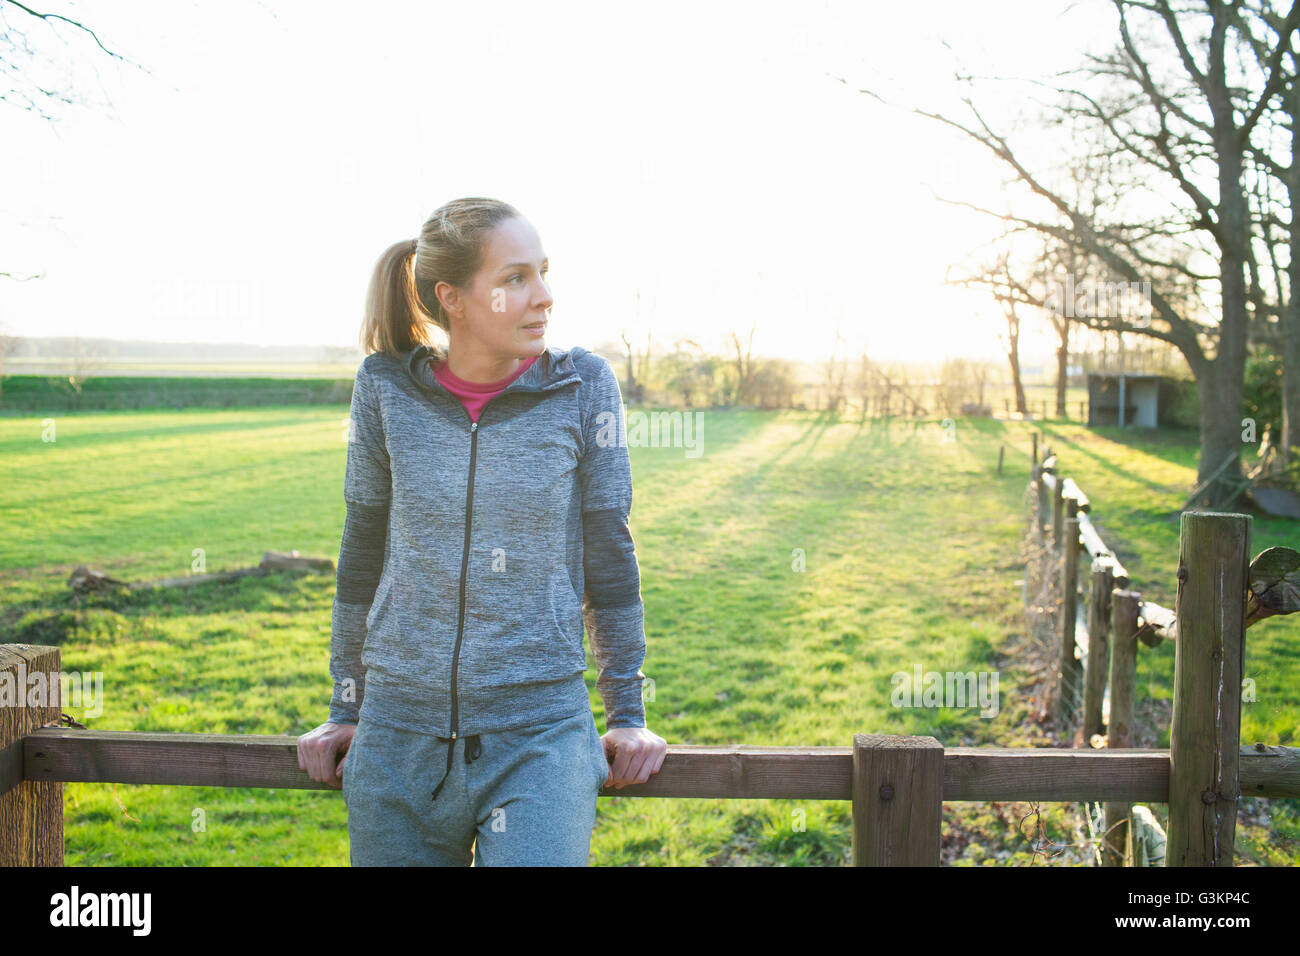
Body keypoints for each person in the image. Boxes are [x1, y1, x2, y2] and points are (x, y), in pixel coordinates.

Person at [297, 197, 666, 865]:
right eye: (515, 279)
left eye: (544, 273)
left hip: (540, 736)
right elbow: (362, 554)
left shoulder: (583, 385)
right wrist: (346, 704)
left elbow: (610, 552)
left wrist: (628, 717)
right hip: (396, 738)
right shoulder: (384, 388)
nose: (544, 297)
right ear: (453, 298)